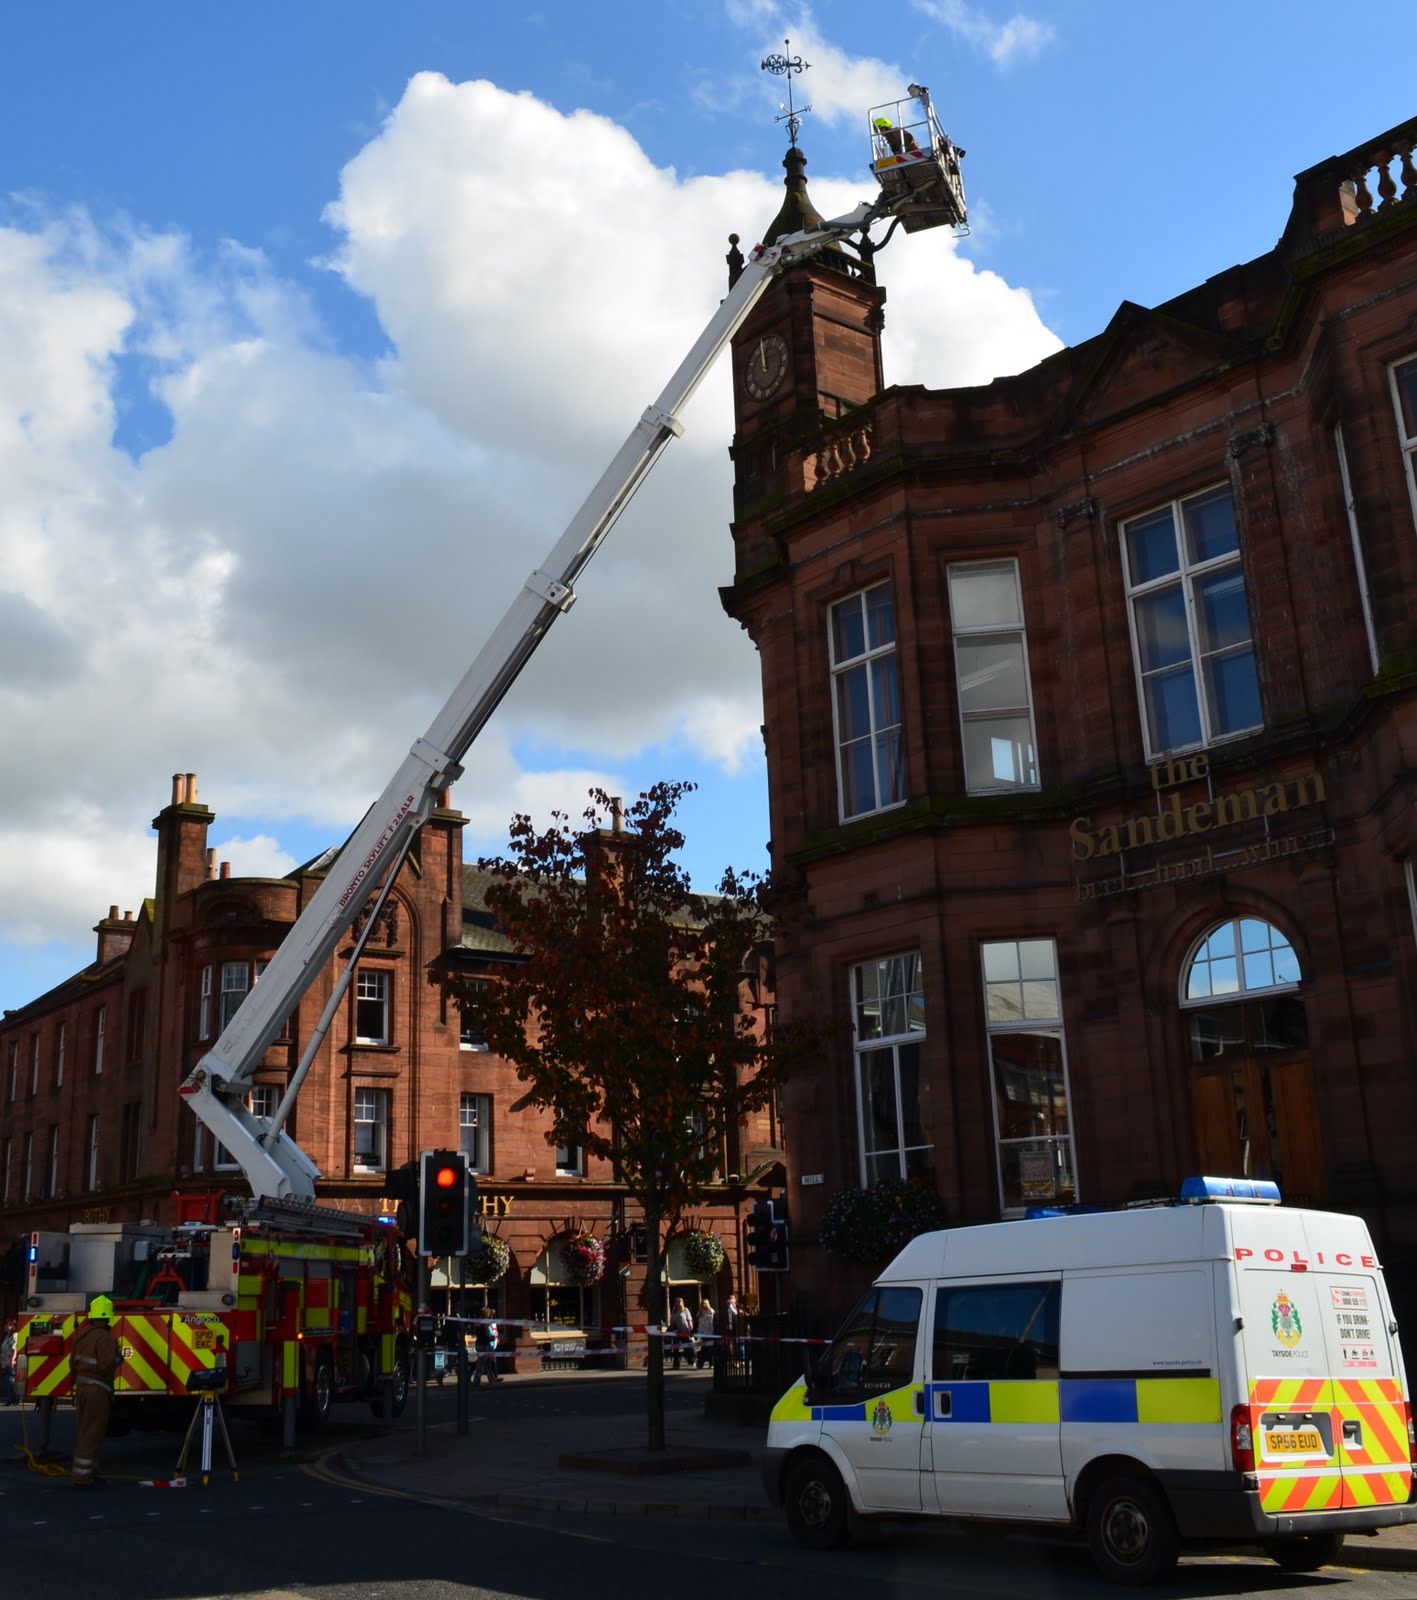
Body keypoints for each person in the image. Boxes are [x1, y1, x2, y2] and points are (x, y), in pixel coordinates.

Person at [71, 1295, 119, 1490]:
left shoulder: (83, 1334)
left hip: (82, 1388)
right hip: (97, 1390)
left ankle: (89, 1472)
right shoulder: (104, 1338)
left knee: (84, 1431)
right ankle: (82, 1477)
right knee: (93, 1434)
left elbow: (72, 1364)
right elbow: (107, 1365)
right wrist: (119, 1358)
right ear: (108, 1317)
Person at [472, 1305, 501, 1385]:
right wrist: (494, 1335)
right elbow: (488, 1334)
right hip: (485, 1344)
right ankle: (476, 1380)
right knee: (482, 1363)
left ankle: (491, 1378)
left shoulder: (477, 1322)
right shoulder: (484, 1323)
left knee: (486, 1363)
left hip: (478, 1343)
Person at [668, 1297, 694, 1369]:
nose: (679, 1303)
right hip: (677, 1332)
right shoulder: (674, 1311)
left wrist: (690, 1328)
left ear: (682, 1302)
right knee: (676, 1348)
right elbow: (672, 1321)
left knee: (688, 1346)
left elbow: (689, 1320)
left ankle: (691, 1360)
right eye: (678, 1301)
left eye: (680, 1301)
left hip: (685, 1331)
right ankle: (676, 1364)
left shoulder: (685, 1310)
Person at [695, 1300, 716, 1368]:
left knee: (709, 1349)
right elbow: (698, 1322)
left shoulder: (711, 1311)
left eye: (705, 1303)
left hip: (710, 1333)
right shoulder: (700, 1312)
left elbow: (713, 1321)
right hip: (702, 1333)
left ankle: (710, 1363)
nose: (703, 1305)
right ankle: (701, 1363)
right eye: (702, 1304)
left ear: (708, 1304)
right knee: (704, 1348)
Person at [0, 1319, 16, 1404]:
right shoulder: (7, 1336)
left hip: (10, 1362)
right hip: (5, 1362)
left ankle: (13, 1399)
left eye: (6, 1325)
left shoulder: (15, 1335)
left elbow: (15, 1348)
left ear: (12, 1326)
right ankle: (10, 1398)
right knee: (7, 1380)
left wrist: (12, 1360)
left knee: (11, 1380)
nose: (4, 1327)